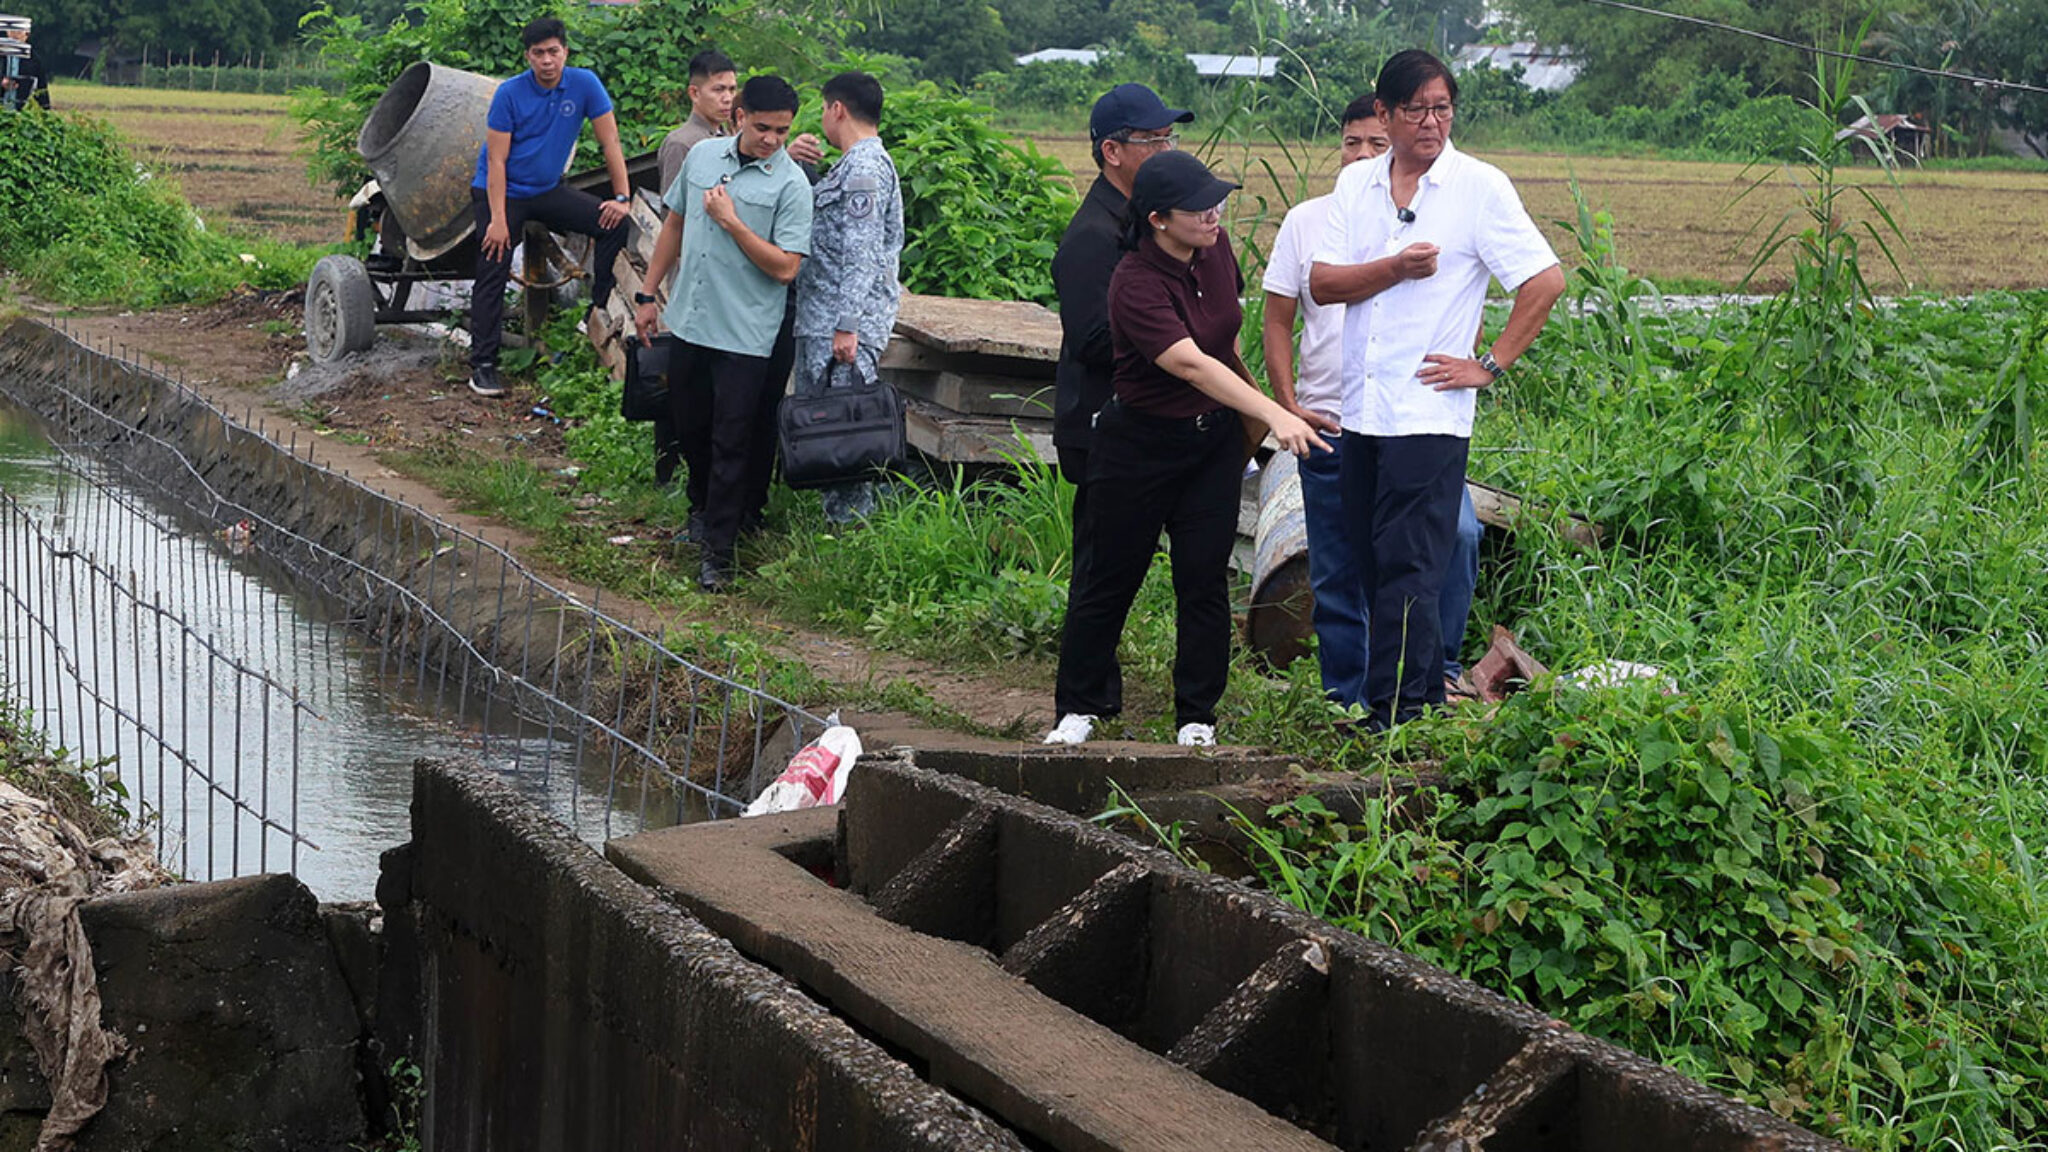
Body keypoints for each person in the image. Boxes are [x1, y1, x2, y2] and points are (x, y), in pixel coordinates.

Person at [1309, 50, 1564, 729]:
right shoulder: (1356, 186)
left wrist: (1490, 363)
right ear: (1384, 115)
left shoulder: (1479, 188)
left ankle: (1392, 714)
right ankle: (1415, 697)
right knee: (1369, 556)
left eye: (1442, 108)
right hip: (1361, 407)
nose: (1431, 123)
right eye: (1416, 110)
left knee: (1410, 564)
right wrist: (1393, 268)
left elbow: (1543, 282)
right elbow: (1324, 283)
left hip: (1428, 412)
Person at [1045, 151, 1330, 748]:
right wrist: (1275, 415)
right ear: (1157, 219)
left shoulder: (1216, 248)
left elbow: (1223, 342)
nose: (1215, 212)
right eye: (1199, 206)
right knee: (1108, 579)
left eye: (1218, 199)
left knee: (1201, 581)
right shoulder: (1132, 282)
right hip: (1138, 447)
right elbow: (1191, 364)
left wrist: (1263, 409)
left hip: (1209, 447)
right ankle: (1077, 705)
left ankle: (1197, 715)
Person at [1262, 95, 1485, 709]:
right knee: (1339, 564)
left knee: (1456, 539)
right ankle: (1350, 693)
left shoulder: (1430, 213)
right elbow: (1277, 318)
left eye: (1372, 144)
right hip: (1329, 418)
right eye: (1350, 144)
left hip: (1414, 423)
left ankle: (1433, 671)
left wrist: (1476, 362)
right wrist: (1286, 404)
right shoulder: (1307, 222)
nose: (1360, 155)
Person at [1047, 82, 1191, 728]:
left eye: (1170, 139)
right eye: (1153, 141)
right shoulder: (1092, 237)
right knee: (1102, 571)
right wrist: (1170, 339)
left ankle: (1099, 694)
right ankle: (1083, 701)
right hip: (1100, 425)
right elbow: (1093, 338)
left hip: (1146, 423)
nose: (1165, 150)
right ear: (1112, 152)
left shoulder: (1145, 221)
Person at [633, 75, 812, 591]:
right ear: (738, 117)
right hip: (691, 321)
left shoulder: (791, 185)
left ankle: (720, 551)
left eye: (782, 131)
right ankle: (703, 508)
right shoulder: (703, 158)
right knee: (690, 427)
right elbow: (673, 224)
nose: (773, 140)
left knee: (733, 441)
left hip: (746, 336)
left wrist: (733, 222)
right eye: (763, 127)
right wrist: (648, 295)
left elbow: (785, 268)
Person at [467, 16, 631, 399]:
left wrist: (622, 198)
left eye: (553, 52)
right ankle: (484, 365)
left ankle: (595, 315)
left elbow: (611, 144)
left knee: (612, 225)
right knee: (492, 263)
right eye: (538, 53)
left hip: (546, 188)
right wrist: (497, 220)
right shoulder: (510, 93)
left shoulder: (585, 84)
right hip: (502, 190)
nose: (546, 61)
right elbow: (496, 162)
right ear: (528, 56)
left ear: (565, 52)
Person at [791, 71, 904, 524]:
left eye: (823, 109)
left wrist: (847, 325)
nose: (823, 119)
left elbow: (861, 251)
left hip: (837, 326)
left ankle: (848, 531)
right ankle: (836, 526)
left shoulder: (863, 169)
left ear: (838, 108)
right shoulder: (855, 163)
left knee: (843, 435)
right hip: (825, 318)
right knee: (828, 434)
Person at [0, 19, 49, 111]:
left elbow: (41, 87)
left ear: (26, 34)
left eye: (19, 32)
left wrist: (45, 112)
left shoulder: (34, 59)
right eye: (12, 31)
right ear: (7, 32)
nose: (15, 35)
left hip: (23, 110)